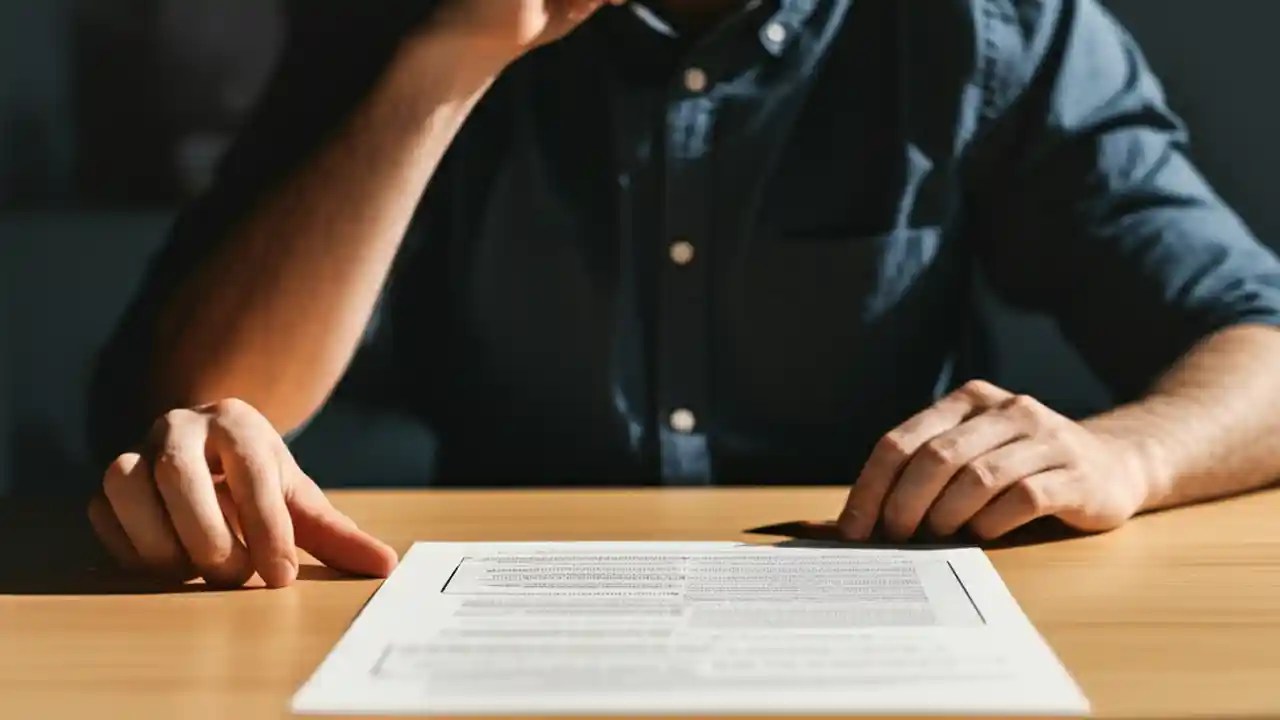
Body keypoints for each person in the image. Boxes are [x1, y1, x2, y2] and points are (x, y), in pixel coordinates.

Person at [86, 0, 1280, 589]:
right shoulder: (403, 20)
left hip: (878, 621)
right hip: (482, 629)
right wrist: (447, 65)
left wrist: (1129, 455)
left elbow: (1258, 335)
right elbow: (195, 410)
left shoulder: (988, 25)